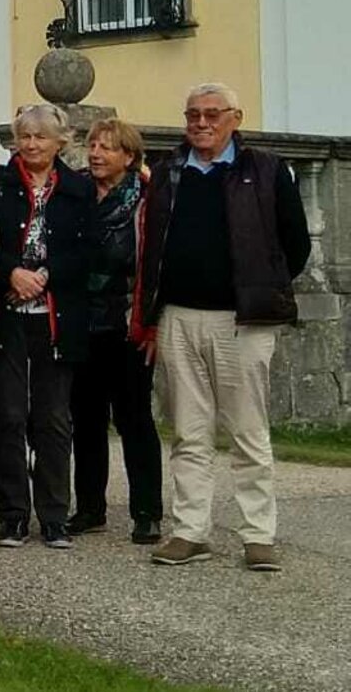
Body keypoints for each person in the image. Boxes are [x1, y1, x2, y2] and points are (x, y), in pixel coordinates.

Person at [141, 83, 310, 572]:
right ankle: (190, 531)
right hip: (178, 316)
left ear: (235, 117)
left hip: (243, 321)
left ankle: (259, 535)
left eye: (212, 114)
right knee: (189, 432)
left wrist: (262, 287)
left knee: (247, 431)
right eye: (192, 114)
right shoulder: (170, 171)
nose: (201, 123)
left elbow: (294, 244)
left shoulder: (266, 169)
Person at [0, 102, 93, 549]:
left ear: (59, 142)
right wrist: (11, 273)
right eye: (24, 137)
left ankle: (54, 516)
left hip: (56, 316)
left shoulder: (78, 188)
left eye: (40, 137)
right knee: (7, 414)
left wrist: (45, 277)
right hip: (7, 311)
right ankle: (12, 514)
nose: (31, 145)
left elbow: (87, 250)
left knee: (53, 419)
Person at [69, 117, 163, 545]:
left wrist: (154, 322)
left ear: (129, 155)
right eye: (92, 145)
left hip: (127, 323)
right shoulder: (75, 193)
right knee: (86, 420)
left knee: (134, 419)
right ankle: (89, 508)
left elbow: (157, 263)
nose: (96, 154)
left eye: (107, 147)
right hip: (82, 322)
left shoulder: (147, 198)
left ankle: (147, 512)